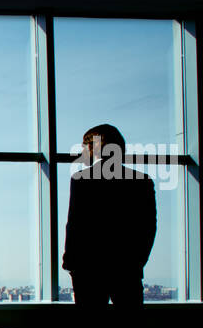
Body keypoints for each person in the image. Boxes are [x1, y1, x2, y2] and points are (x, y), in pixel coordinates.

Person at [61, 124, 156, 307]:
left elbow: (75, 225)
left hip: (89, 269)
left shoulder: (82, 180)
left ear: (95, 147)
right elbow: (148, 228)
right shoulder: (142, 182)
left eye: (84, 145)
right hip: (127, 269)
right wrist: (137, 262)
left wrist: (71, 263)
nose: (81, 150)